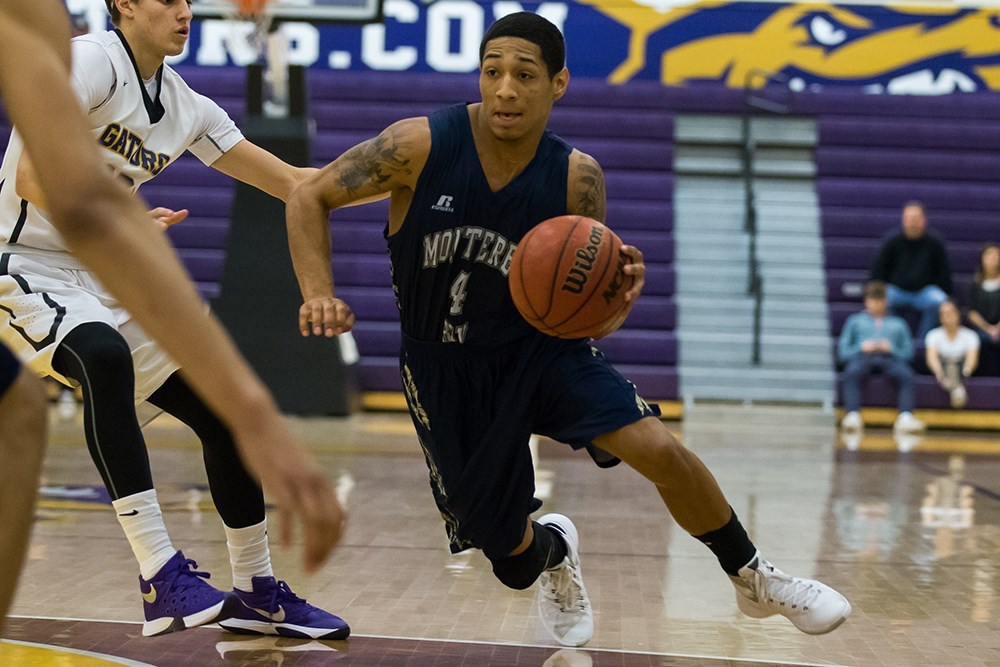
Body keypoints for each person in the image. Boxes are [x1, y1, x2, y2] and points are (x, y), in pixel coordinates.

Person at [284, 12, 851, 647]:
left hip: (541, 352)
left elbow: (580, 307)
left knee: (657, 448)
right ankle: (554, 551)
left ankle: (753, 578)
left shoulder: (577, 178)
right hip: (444, 368)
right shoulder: (419, 145)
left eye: (524, 75)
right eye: (492, 72)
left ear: (558, 84)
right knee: (507, 556)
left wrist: (616, 299)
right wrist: (318, 294)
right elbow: (307, 195)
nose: (504, 89)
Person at [0, 0, 347, 639]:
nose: (185, 10)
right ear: (125, 5)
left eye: (189, 0)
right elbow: (32, 175)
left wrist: (393, 175)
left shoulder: (188, 106)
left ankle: (257, 592)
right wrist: (124, 223)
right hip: (23, 264)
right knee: (104, 355)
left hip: (98, 274)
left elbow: (299, 182)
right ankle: (160, 575)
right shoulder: (88, 60)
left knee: (221, 413)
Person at [838, 281, 924, 432]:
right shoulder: (855, 321)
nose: (876, 305)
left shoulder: (898, 323)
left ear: (886, 301)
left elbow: (909, 354)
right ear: (866, 301)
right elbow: (843, 352)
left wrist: (892, 348)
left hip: (891, 359)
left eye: (880, 300)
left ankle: (905, 416)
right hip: (862, 357)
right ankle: (852, 414)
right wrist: (861, 347)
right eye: (873, 300)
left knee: (906, 375)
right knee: (852, 372)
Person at [870, 201, 952, 339]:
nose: (913, 222)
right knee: (882, 300)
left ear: (924, 220)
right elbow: (879, 272)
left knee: (940, 301)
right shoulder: (892, 241)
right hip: (898, 290)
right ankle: (900, 338)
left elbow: (944, 273)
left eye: (916, 218)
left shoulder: (935, 243)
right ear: (903, 220)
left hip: (924, 292)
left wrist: (940, 289)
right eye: (909, 218)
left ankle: (923, 341)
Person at [925, 300, 979, 409]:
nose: (947, 317)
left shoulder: (971, 335)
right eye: (943, 314)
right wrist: (939, 373)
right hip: (943, 369)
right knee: (949, 365)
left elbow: (971, 360)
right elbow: (932, 359)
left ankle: (955, 386)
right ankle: (957, 390)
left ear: (958, 314)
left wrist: (964, 373)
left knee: (954, 365)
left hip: (962, 369)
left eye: (950, 313)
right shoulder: (932, 335)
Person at [965, 243, 1000, 376]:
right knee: (978, 339)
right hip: (980, 329)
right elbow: (971, 312)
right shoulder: (973, 284)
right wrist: (988, 328)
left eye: (996, 255)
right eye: (989, 255)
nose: (993, 259)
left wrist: (997, 328)